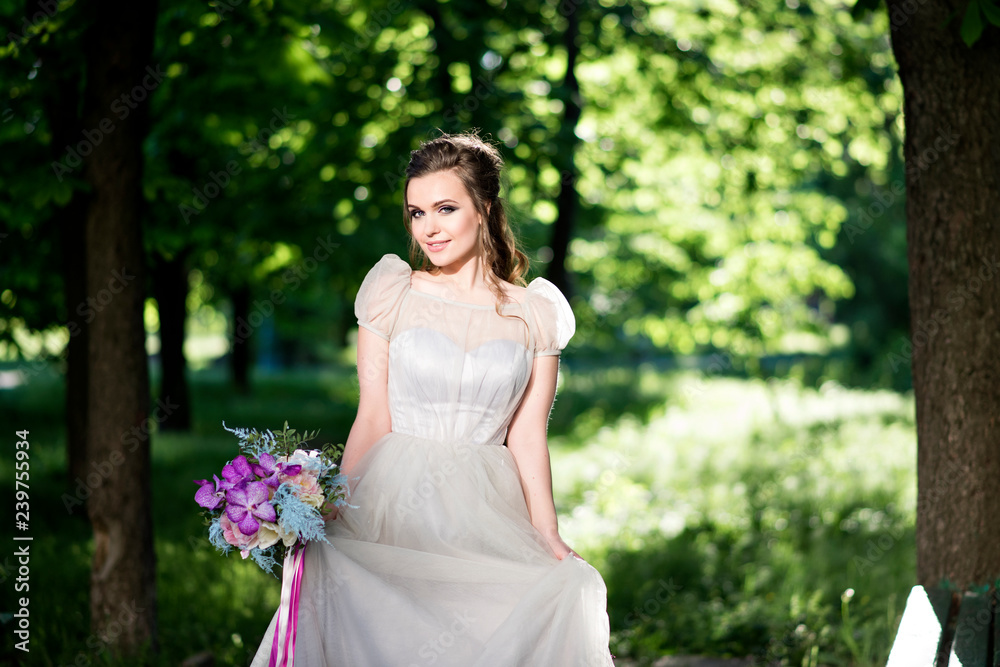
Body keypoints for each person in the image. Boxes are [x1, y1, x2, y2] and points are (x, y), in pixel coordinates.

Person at [250, 131, 615, 666]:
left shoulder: (534, 313)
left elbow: (528, 434)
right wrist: (332, 501)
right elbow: (373, 413)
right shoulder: (392, 294)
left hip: (488, 504)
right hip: (393, 496)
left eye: (445, 208)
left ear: (485, 209)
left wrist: (548, 533)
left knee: (505, 618)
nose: (429, 228)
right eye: (417, 212)